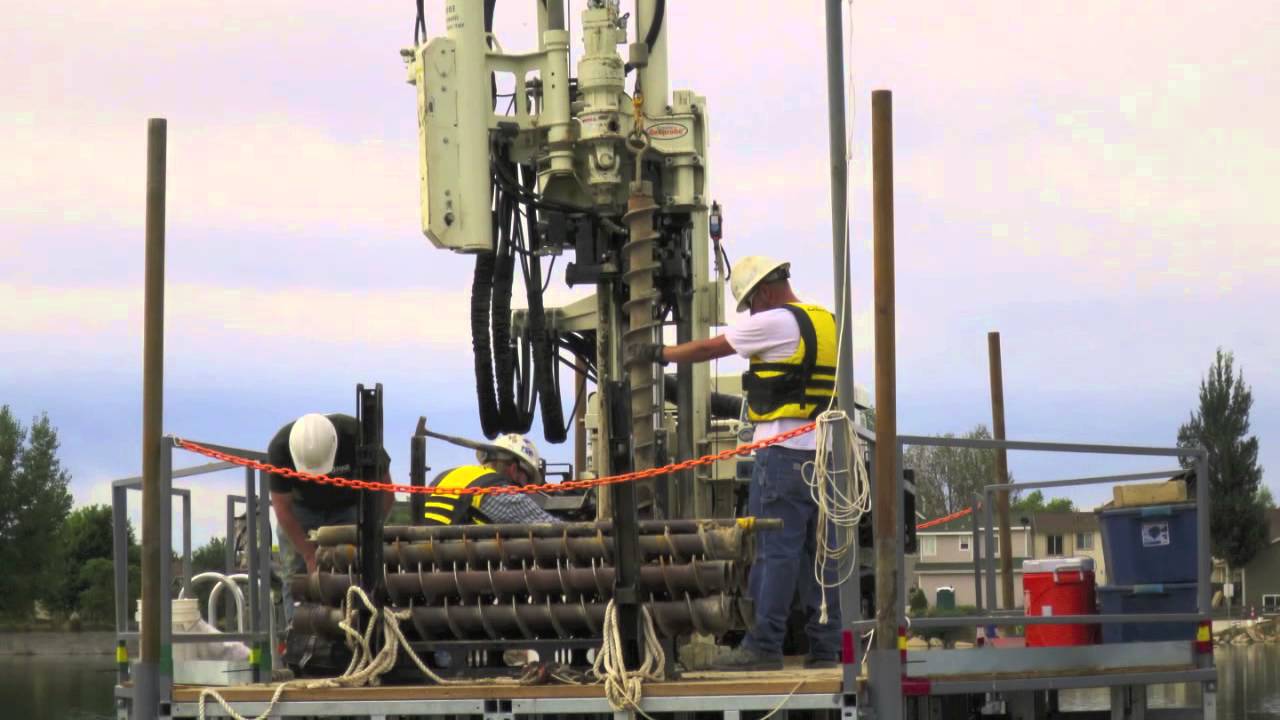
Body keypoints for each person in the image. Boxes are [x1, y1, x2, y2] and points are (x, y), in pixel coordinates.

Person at [641, 255, 840, 671]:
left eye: (750, 303)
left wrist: (660, 353)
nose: (751, 313)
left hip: (782, 458)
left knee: (774, 552)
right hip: (821, 458)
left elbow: (715, 346)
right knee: (816, 558)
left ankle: (763, 646)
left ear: (764, 291)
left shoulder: (777, 320)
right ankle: (825, 647)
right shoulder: (825, 319)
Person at [267, 413, 393, 622]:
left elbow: (386, 494)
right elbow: (283, 509)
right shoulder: (280, 449)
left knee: (353, 569)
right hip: (300, 513)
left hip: (347, 508)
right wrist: (308, 555)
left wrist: (368, 535)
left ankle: (353, 628)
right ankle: (296, 634)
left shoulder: (356, 435)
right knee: (294, 575)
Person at [424, 433, 561, 525]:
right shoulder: (501, 493)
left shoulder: (446, 477)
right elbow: (554, 529)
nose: (528, 489)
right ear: (514, 470)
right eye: (528, 479)